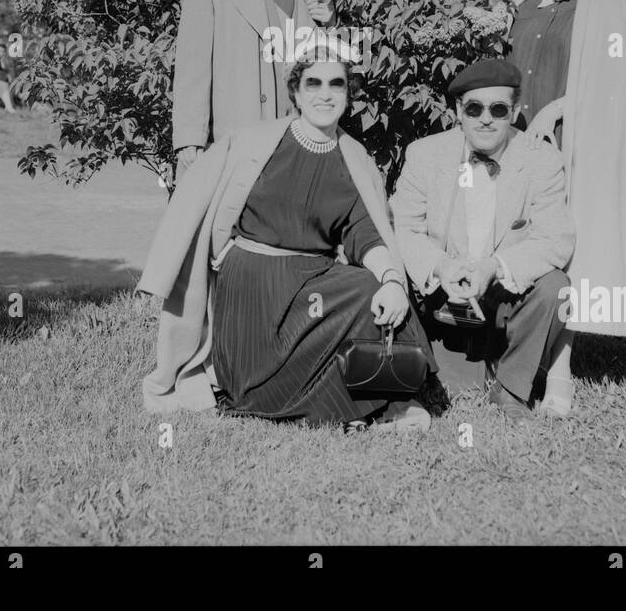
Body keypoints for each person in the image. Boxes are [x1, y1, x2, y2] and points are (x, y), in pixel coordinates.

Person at [138, 46, 434, 433]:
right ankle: (348, 402)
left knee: (370, 288)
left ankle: (390, 403)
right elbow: (195, 203)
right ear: (295, 92)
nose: (325, 94)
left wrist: (393, 282)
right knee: (354, 296)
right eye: (313, 83)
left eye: (336, 84)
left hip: (312, 278)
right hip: (251, 283)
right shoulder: (251, 142)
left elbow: (365, 232)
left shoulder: (355, 158)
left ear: (348, 93)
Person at [496, 0, 626, 411]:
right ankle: (509, 359)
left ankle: (561, 375)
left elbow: (617, 82)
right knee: (521, 245)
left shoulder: (613, 7)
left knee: (570, 251)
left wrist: (564, 107)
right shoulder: (525, 5)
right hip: (521, 143)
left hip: (576, 146)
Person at [390, 58, 577, 417]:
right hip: (444, 300)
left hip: (506, 295)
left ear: (515, 111)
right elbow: (401, 228)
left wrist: (495, 267)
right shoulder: (425, 154)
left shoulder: (542, 159)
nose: (486, 118)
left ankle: (510, 387)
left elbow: (557, 239)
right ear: (458, 111)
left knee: (558, 286)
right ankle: (441, 369)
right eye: (474, 108)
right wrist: (440, 266)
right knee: (452, 381)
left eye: (498, 109)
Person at [171, 0, 333, 183]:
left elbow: (332, 71)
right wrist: (189, 138)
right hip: (232, 149)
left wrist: (330, 24)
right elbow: (193, 67)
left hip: (300, 152)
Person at [0, 41, 18, 112]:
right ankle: (10, 108)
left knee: (9, 86)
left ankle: (10, 106)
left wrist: (2, 62)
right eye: (1, 51)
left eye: (4, 51)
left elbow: (4, 70)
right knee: (4, 86)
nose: (3, 53)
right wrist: (6, 77)